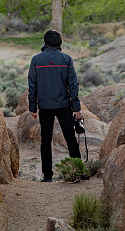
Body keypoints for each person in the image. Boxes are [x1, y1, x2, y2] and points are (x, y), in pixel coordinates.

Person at [28, 30, 83, 182]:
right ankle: (78, 171)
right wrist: (76, 107)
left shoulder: (36, 60)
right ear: (59, 42)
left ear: (45, 42)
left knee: (45, 141)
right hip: (64, 105)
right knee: (71, 138)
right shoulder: (66, 59)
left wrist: (33, 107)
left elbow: (32, 85)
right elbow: (73, 84)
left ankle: (47, 176)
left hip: (45, 107)